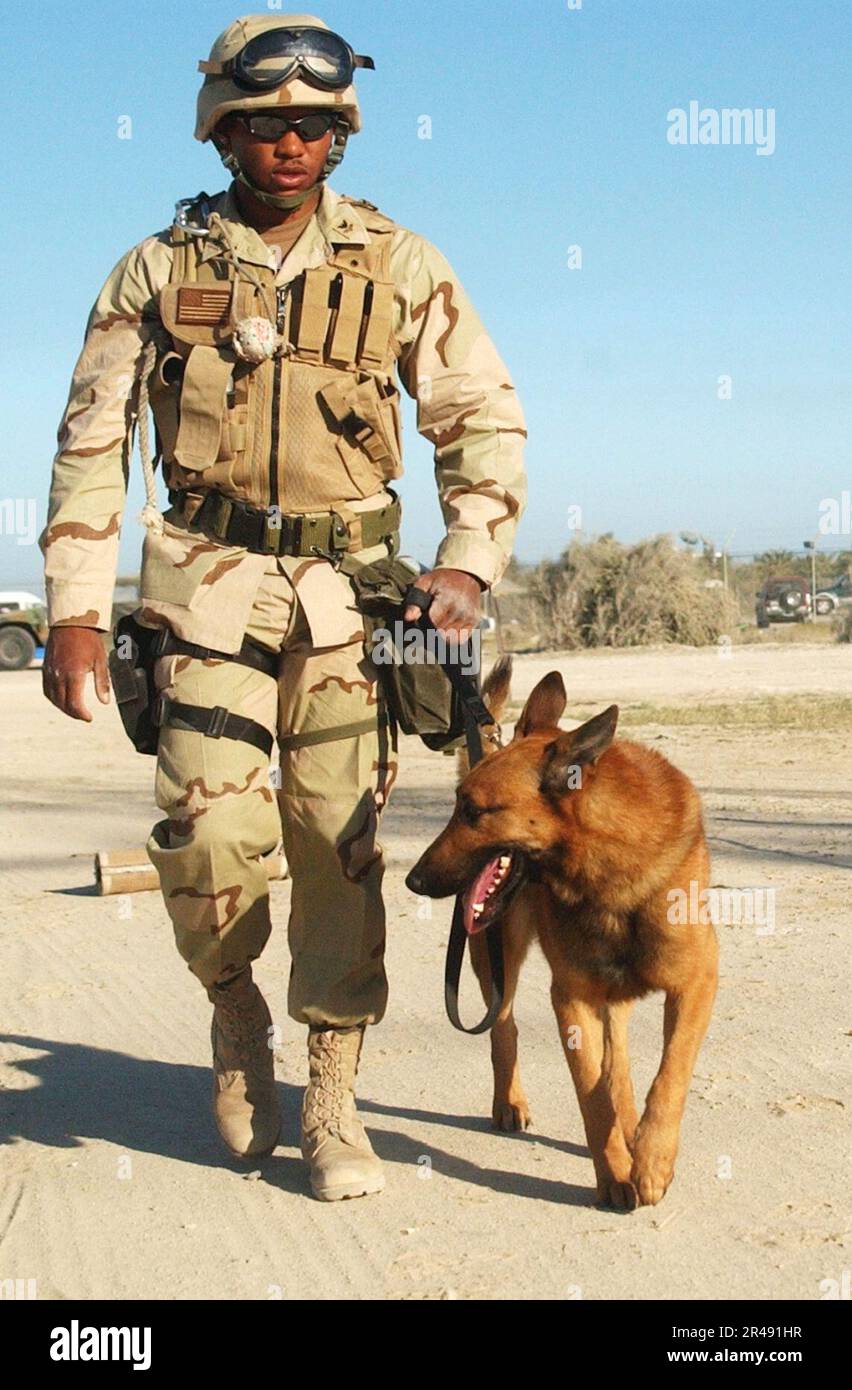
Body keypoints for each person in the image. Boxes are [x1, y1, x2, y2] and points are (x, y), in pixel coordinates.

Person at [40, 13, 527, 1201]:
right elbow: (91, 440)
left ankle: (333, 1093)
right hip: (203, 587)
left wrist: (468, 558)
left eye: (313, 125)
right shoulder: (155, 271)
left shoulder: (402, 264)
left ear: (340, 132)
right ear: (225, 131)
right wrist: (72, 604)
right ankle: (234, 1011)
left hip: (353, 600)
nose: (291, 145)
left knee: (338, 844)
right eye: (266, 126)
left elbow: (483, 420)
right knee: (207, 841)